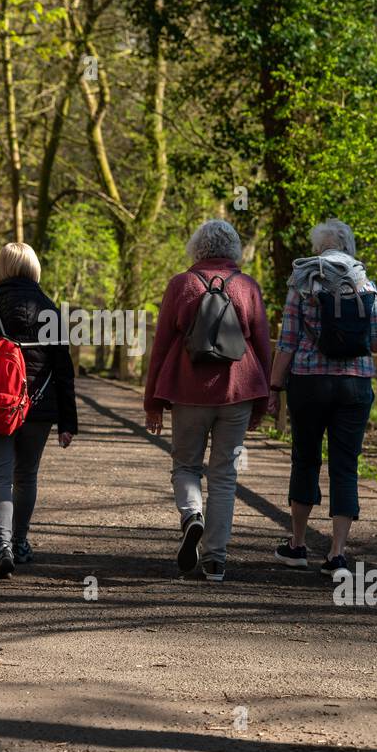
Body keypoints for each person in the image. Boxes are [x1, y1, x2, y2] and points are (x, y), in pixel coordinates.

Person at [143, 220, 271, 582]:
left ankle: (192, 516)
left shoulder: (181, 284)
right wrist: (264, 402)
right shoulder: (247, 287)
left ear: (197, 249)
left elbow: (162, 345)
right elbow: (262, 347)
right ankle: (215, 559)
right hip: (238, 391)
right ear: (233, 250)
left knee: (185, 466)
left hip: (188, 392)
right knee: (225, 476)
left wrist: (153, 400)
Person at [267, 219, 377, 576]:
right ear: (348, 246)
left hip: (309, 382)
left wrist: (274, 388)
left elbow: (287, 342)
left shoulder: (302, 281)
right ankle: (337, 555)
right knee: (345, 466)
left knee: (305, 460)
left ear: (319, 248)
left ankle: (298, 545)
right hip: (355, 385)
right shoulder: (366, 283)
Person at [0, 243, 78, 580]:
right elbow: (64, 370)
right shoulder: (50, 309)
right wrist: (68, 421)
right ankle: (20, 542)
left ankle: (2, 546)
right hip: (38, 408)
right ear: (35, 268)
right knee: (26, 476)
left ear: (2, 267)